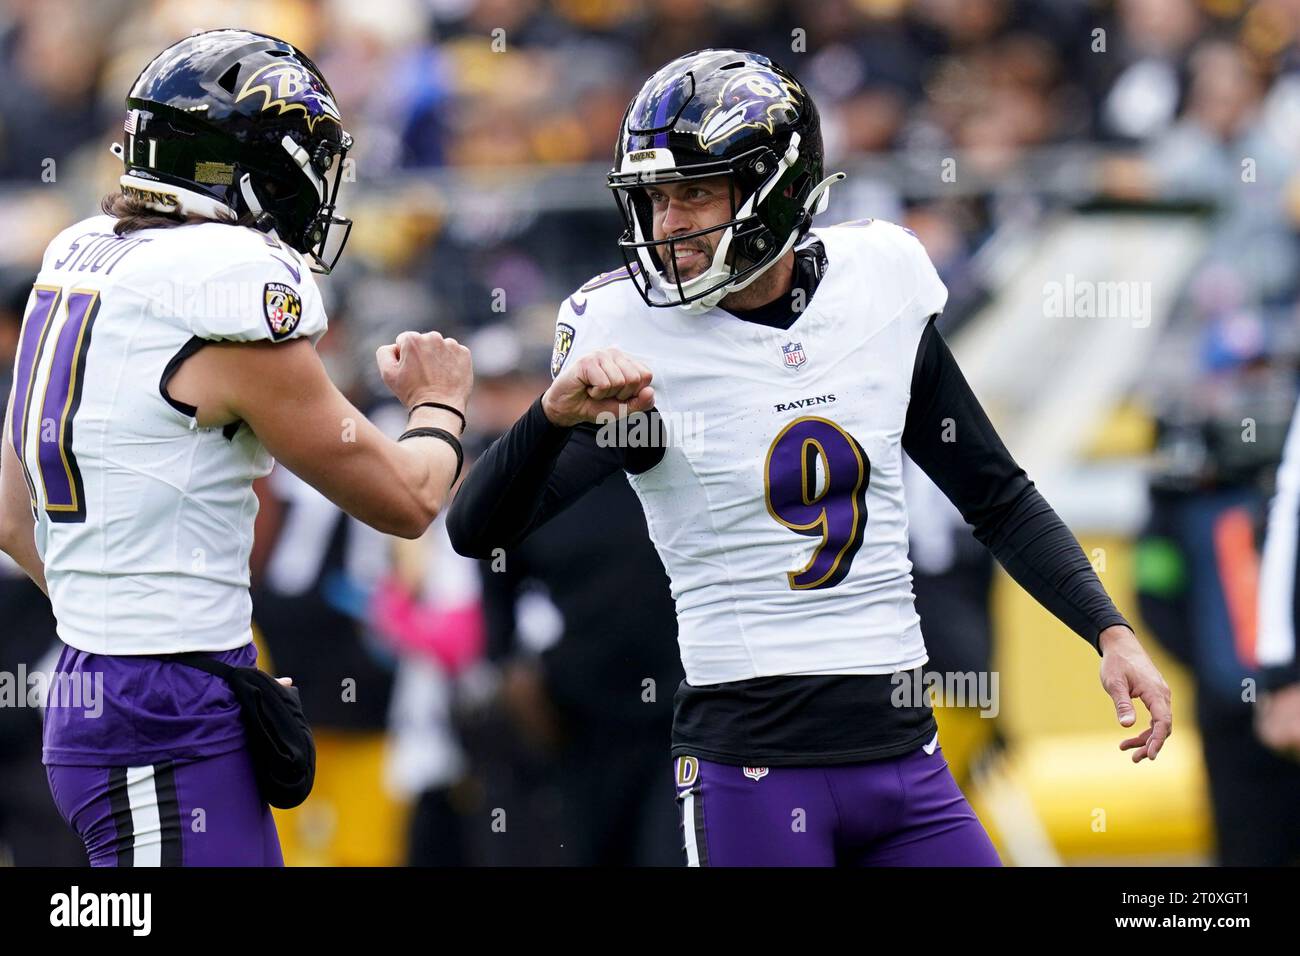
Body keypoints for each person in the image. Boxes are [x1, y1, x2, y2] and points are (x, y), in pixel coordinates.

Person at [447, 48, 1172, 867]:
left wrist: (1108, 630)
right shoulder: (635, 343)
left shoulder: (878, 283)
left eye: (693, 192)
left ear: (774, 186)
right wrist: (549, 418)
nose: (667, 224)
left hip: (906, 761)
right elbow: (480, 529)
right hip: (751, 767)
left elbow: (995, 495)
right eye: (654, 199)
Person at [0, 29, 472, 867]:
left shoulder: (80, 256)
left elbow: (11, 517)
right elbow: (409, 499)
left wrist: (165, 635)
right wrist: (439, 404)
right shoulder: (225, 280)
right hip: (160, 709)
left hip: (120, 686)